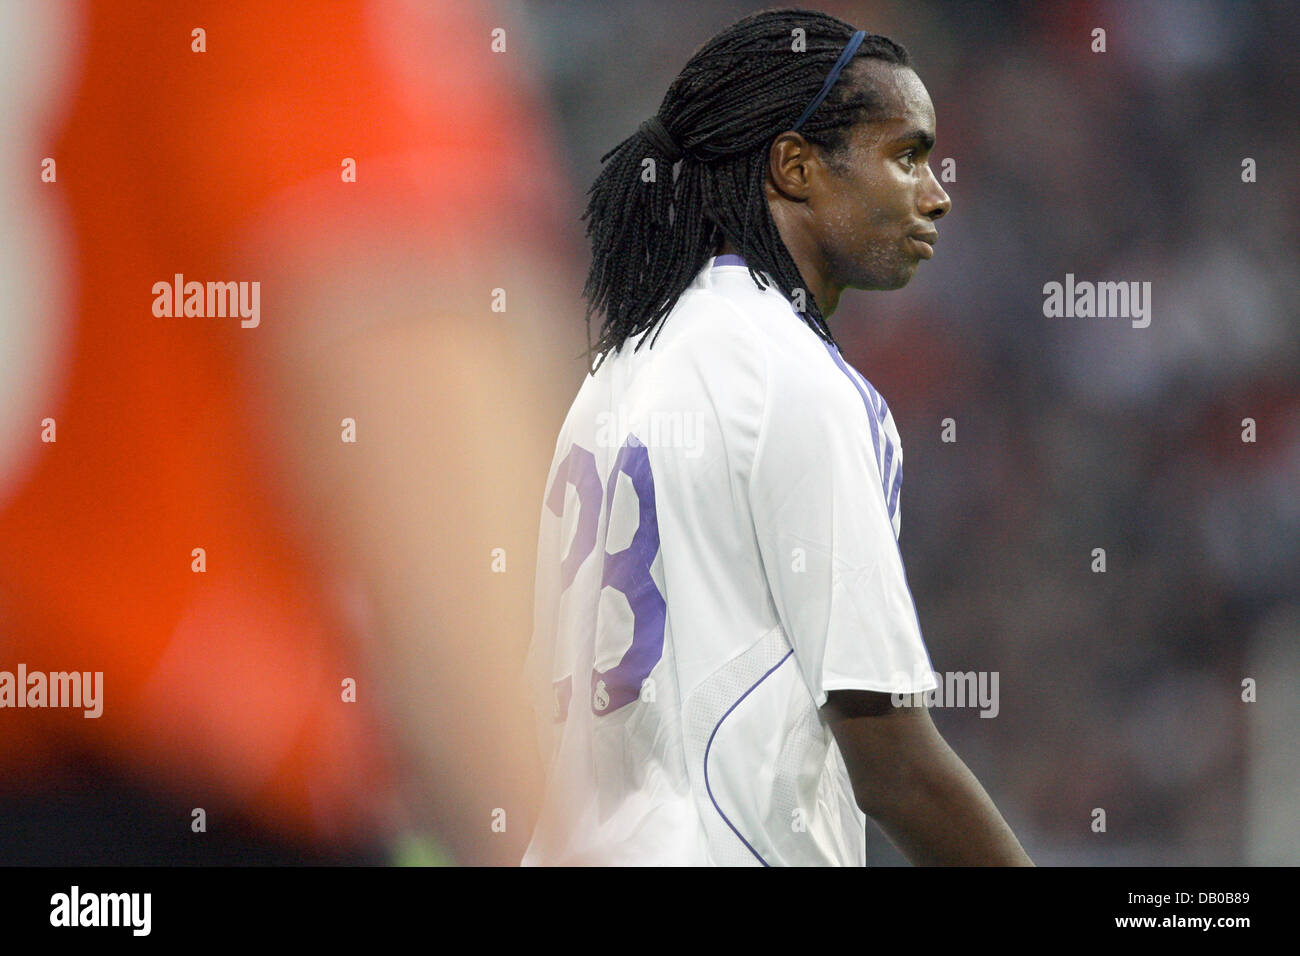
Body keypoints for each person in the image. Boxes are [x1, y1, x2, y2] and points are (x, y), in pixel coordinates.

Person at [523, 8, 1032, 866]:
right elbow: (892, 763)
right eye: (907, 155)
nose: (938, 192)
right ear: (796, 167)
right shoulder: (792, 380)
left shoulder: (606, 383)